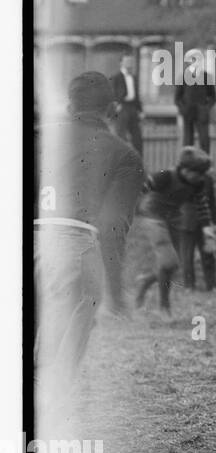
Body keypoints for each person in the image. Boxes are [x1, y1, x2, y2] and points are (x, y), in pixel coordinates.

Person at [35, 72, 144, 397]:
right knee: (82, 307)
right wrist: (114, 292)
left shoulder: (35, 137)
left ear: (69, 106)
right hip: (71, 246)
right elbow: (112, 230)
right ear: (112, 108)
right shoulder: (125, 155)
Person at [134, 146, 215, 314]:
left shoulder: (198, 183)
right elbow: (139, 189)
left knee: (171, 265)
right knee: (169, 261)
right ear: (185, 169)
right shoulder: (164, 176)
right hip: (153, 217)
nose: (200, 177)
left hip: (174, 219)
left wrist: (207, 228)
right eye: (197, 173)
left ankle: (145, 284)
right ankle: (165, 307)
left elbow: (201, 205)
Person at [178, 161, 216, 291]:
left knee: (209, 254)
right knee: (187, 255)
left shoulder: (208, 180)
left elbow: (211, 200)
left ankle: (211, 285)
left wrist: (215, 220)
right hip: (186, 222)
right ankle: (189, 286)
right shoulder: (184, 179)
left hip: (205, 224)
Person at [174, 55, 216, 152]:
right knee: (188, 141)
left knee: (204, 139)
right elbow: (177, 98)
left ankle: (205, 163)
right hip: (188, 112)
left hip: (202, 112)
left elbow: (213, 97)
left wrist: (206, 108)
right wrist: (183, 109)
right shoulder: (183, 77)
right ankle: (188, 164)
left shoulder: (207, 77)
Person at [109, 54, 143, 154]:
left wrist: (140, 110)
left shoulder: (134, 77)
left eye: (131, 61)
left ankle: (139, 162)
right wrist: (116, 105)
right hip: (122, 108)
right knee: (120, 135)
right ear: (121, 63)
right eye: (127, 61)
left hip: (133, 108)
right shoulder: (115, 77)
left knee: (137, 137)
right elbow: (111, 94)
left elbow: (137, 96)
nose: (129, 64)